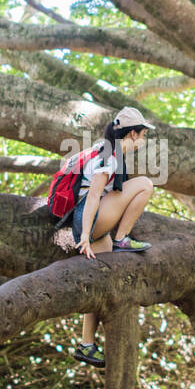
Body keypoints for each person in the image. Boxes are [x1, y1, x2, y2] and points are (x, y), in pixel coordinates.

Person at [70, 107, 156, 366]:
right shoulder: (111, 155)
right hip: (90, 218)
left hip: (92, 221)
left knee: (102, 279)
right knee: (145, 185)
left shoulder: (107, 149)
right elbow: (94, 194)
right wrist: (85, 234)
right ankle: (122, 238)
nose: (143, 140)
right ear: (132, 134)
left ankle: (86, 344)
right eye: (142, 135)